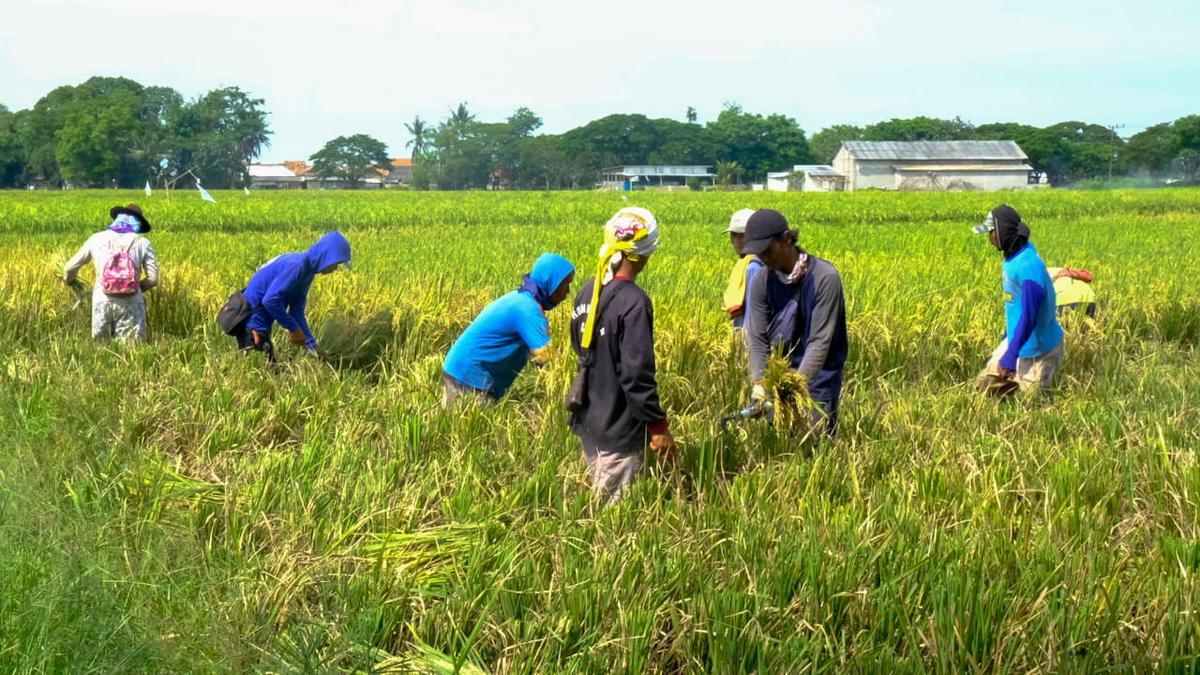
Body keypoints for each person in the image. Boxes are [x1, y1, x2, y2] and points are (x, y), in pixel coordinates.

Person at [568, 207, 677, 502]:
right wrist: (658, 426)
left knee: (598, 498)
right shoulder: (634, 302)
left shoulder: (588, 291)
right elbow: (636, 374)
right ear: (644, 255)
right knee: (614, 518)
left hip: (589, 420)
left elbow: (579, 347)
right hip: (618, 427)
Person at [742, 209, 848, 436]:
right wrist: (760, 383)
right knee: (780, 443)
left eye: (767, 250)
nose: (764, 258)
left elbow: (819, 342)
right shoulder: (762, 281)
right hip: (781, 376)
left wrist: (794, 388)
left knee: (816, 441)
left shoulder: (824, 278)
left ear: (787, 238)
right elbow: (757, 338)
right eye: (759, 253)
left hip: (819, 377)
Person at [442, 253, 576, 406]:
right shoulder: (528, 311)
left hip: (459, 370)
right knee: (469, 421)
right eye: (565, 284)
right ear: (550, 282)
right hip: (469, 379)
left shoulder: (521, 298)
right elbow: (547, 359)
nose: (567, 291)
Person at [973, 205, 1064, 393]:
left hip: (1040, 351)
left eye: (991, 232)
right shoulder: (1012, 258)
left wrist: (1011, 354)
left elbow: (1030, 316)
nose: (989, 238)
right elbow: (1016, 302)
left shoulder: (1028, 266)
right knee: (983, 390)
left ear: (1002, 231)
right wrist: (1008, 336)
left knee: (1030, 404)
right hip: (1018, 341)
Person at [237, 231, 352, 361]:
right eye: (337, 263)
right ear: (327, 256)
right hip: (252, 320)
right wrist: (294, 329)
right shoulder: (297, 265)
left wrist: (312, 345)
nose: (336, 268)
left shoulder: (307, 272)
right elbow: (270, 300)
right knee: (260, 367)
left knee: (270, 365)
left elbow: (296, 312)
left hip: (261, 321)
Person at [62, 203, 159, 341]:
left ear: (118, 218)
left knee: (101, 348)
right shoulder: (143, 243)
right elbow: (153, 279)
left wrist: (69, 281)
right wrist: (135, 287)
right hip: (132, 303)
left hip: (102, 301)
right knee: (131, 350)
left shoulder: (96, 239)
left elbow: (69, 268)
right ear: (138, 223)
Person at [721, 208, 765, 331]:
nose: (736, 241)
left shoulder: (753, 267)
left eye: (742, 236)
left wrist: (744, 337)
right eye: (733, 235)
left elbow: (753, 311)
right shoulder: (746, 262)